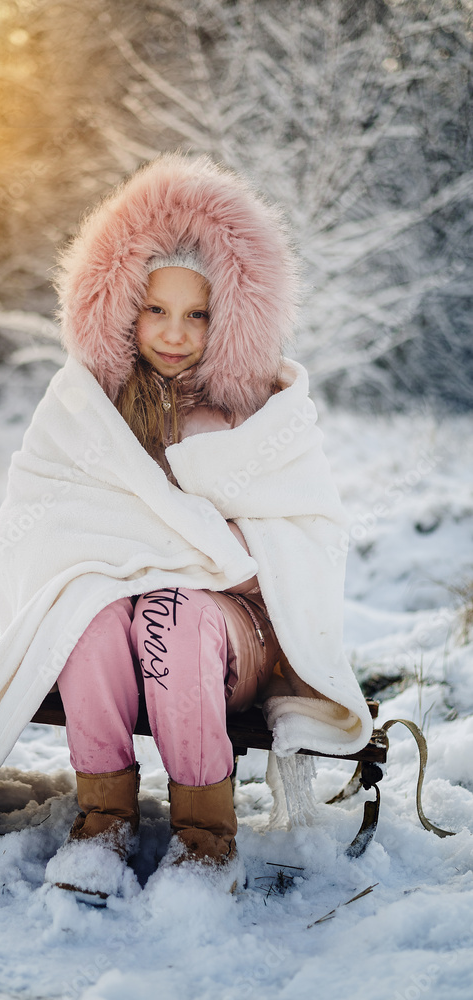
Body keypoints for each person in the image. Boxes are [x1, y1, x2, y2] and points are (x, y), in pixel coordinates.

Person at [21, 152, 373, 902]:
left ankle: (205, 841)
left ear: (234, 316)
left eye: (199, 312)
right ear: (120, 306)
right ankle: (103, 822)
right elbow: (44, 525)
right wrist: (130, 558)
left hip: (228, 635)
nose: (175, 332)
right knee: (86, 610)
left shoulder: (258, 412)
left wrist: (187, 556)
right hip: (116, 638)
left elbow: (299, 537)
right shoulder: (91, 410)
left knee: (171, 610)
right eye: (155, 309)